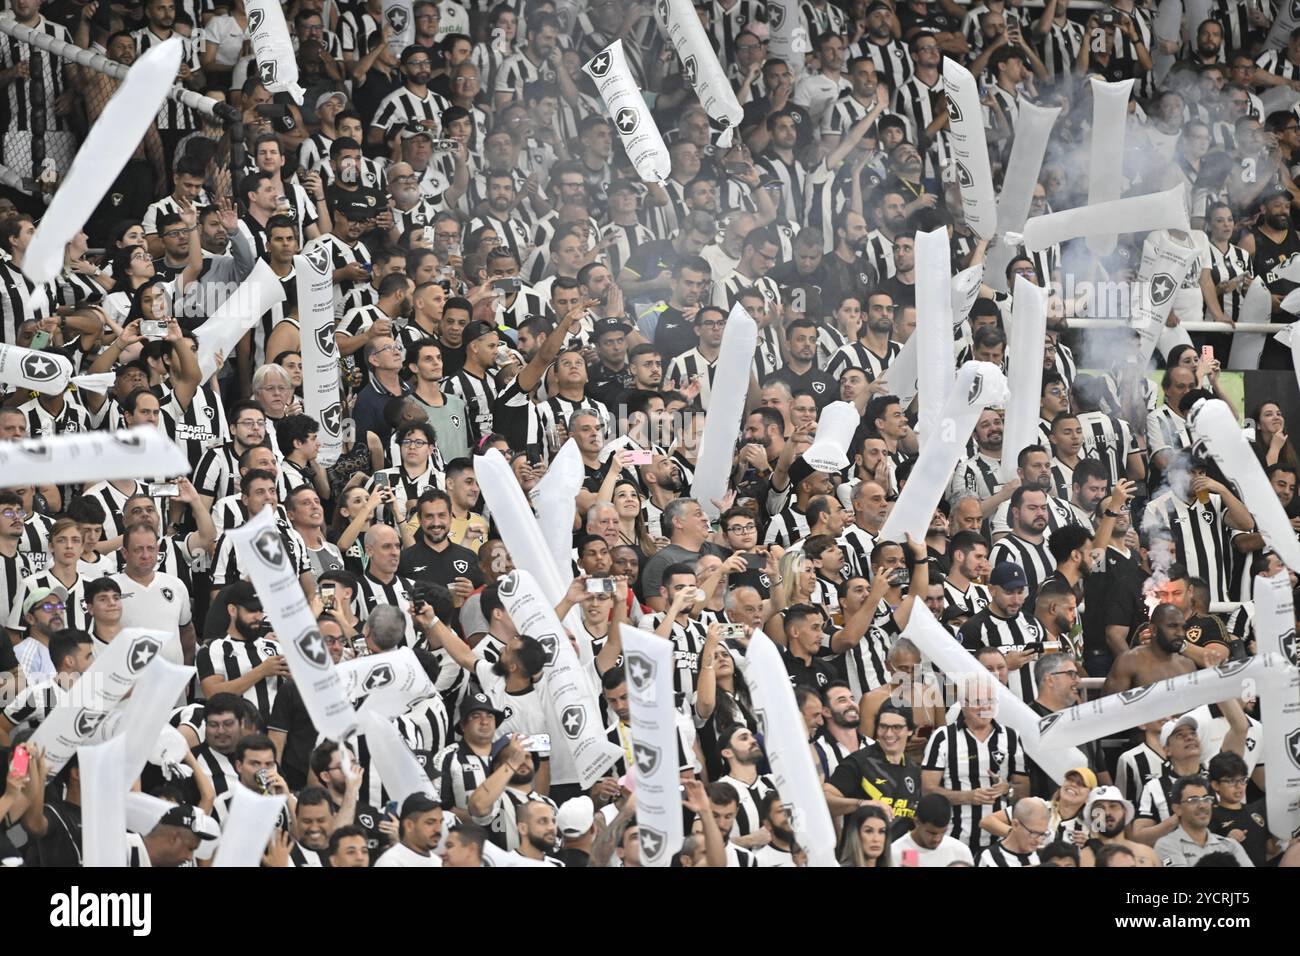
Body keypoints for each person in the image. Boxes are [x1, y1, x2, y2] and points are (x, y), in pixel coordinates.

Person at [1153, 775, 1254, 867]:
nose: (1202, 805)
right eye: (1193, 800)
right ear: (1177, 809)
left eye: (1206, 799)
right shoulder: (1166, 845)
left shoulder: (1230, 845)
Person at [889, 794, 975, 867]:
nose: (937, 839)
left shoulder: (960, 851)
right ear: (917, 822)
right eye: (932, 833)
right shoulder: (896, 853)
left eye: (943, 832)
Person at [374, 793, 444, 867]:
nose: (438, 829)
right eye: (430, 823)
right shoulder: (390, 863)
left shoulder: (439, 862)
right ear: (409, 825)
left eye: (441, 822)